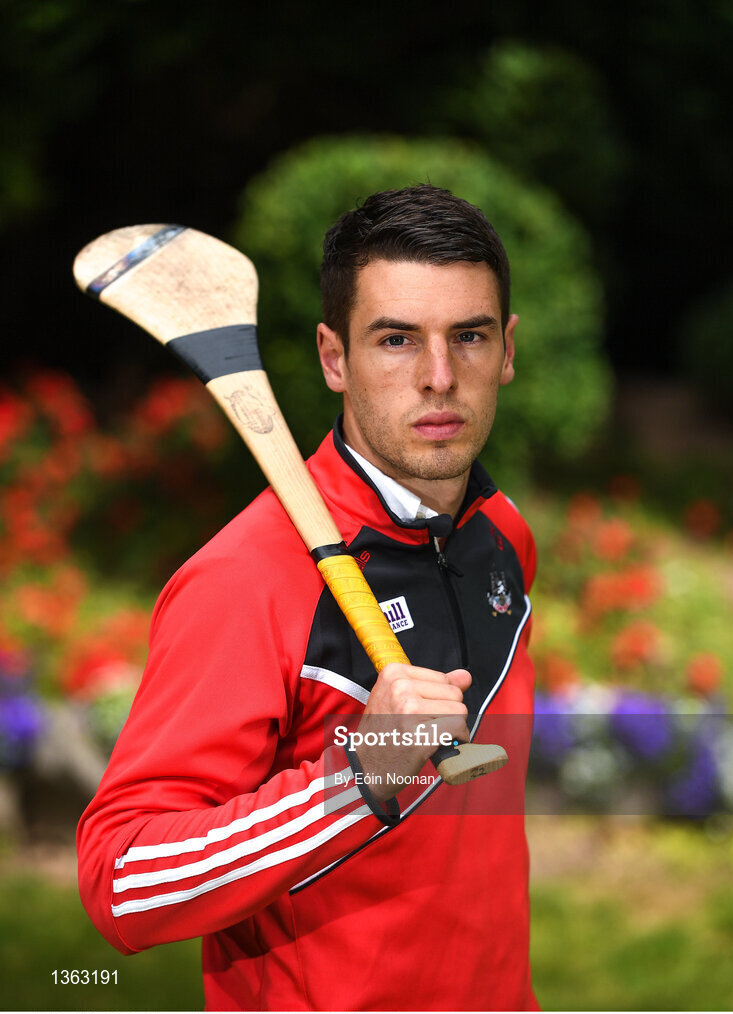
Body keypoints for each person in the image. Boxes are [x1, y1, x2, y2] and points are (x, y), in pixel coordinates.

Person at [77, 184, 539, 1011]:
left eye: (467, 337)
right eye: (395, 340)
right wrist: (360, 775)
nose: (439, 378)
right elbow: (122, 882)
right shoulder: (247, 579)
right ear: (334, 358)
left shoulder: (501, 536)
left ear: (506, 349)